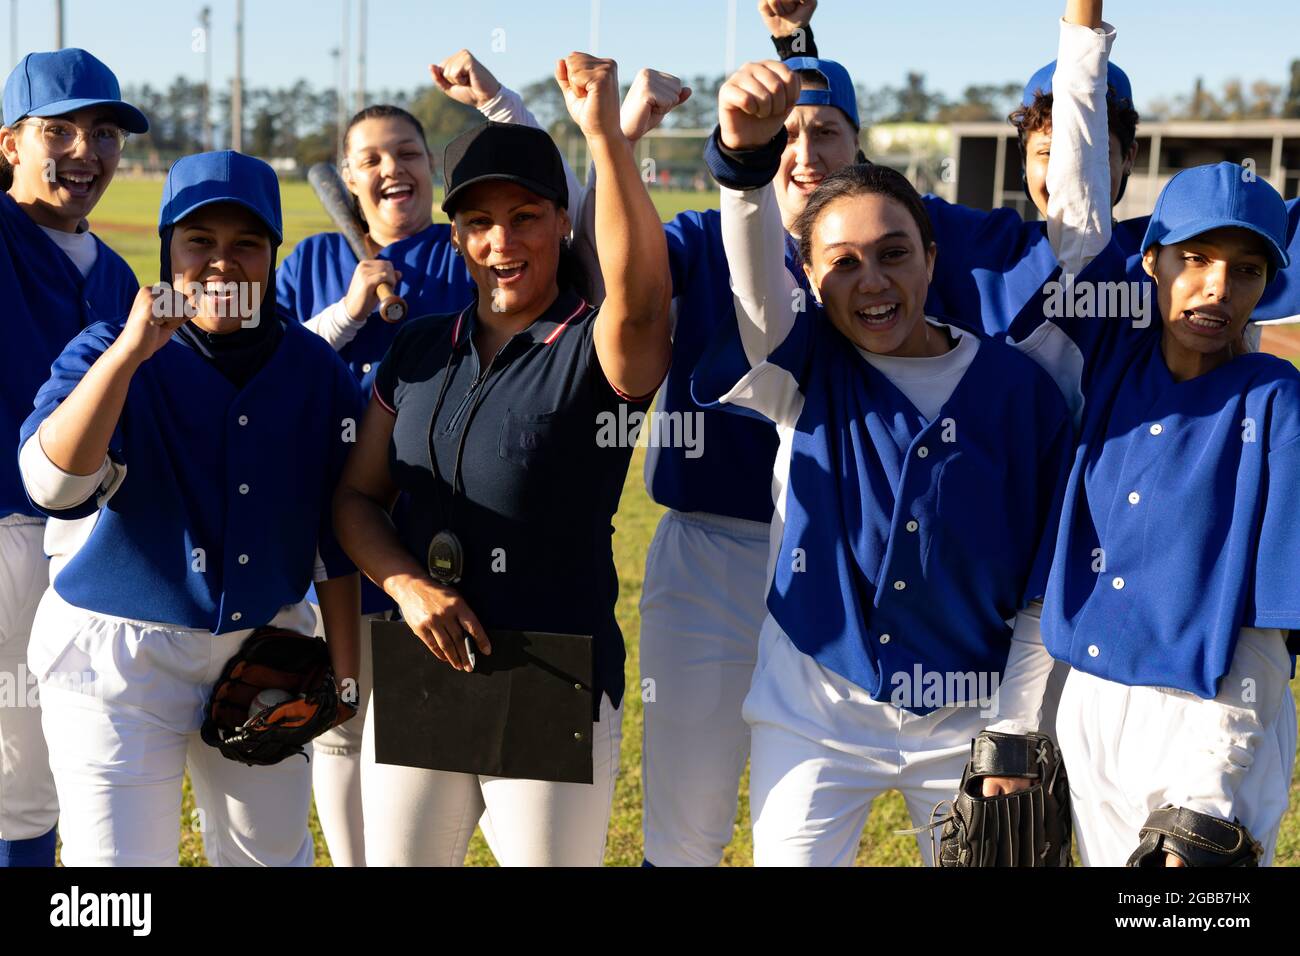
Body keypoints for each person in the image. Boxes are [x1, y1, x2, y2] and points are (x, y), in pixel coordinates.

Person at [692, 56, 1077, 866]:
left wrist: (1013, 732)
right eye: (842, 262)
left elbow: (1047, 585)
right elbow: (755, 289)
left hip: (969, 723)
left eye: (894, 253)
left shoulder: (1019, 390)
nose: (871, 280)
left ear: (932, 260)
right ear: (809, 276)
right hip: (815, 719)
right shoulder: (801, 365)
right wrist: (743, 162)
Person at [333, 52, 671, 867]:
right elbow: (356, 501)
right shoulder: (418, 348)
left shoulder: (599, 345)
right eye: (479, 223)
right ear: (456, 237)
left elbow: (644, 293)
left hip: (553, 672)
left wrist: (603, 135)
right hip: (424, 666)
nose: (501, 241)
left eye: (525, 217)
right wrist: (407, 586)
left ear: (565, 223)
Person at [16, 150, 362, 867]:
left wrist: (346, 678)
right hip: (115, 658)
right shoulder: (107, 347)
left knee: (270, 857)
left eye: (246, 245)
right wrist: (131, 355)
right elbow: (53, 485)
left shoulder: (313, 366)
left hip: (266, 649)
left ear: (273, 257)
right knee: (116, 875)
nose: (222, 265)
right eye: (199, 242)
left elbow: (335, 534)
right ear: (167, 249)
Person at [626, 3, 864, 868]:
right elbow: (606, 256)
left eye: (828, 134)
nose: (804, 153)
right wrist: (618, 136)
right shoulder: (699, 238)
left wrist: (796, 46)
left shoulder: (878, 259)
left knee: (802, 820)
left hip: (836, 560)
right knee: (686, 817)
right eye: (787, 135)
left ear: (859, 151)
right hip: (708, 551)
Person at [0, 48, 146, 868]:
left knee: (67, 766)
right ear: (9, 145)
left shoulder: (119, 274)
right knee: (19, 777)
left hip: (88, 547)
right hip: (5, 532)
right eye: (57, 130)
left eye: (104, 132)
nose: (85, 150)